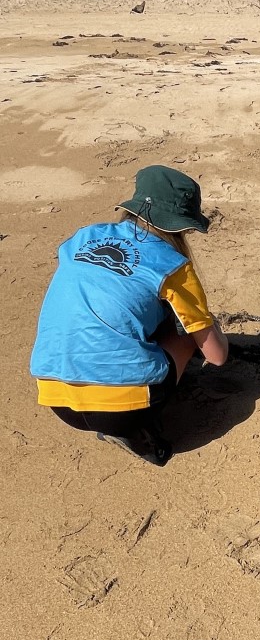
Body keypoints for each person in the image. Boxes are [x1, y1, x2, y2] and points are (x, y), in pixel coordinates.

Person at [30, 165, 229, 465]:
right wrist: (209, 325)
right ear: (181, 226)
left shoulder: (83, 238)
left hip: (55, 395)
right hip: (121, 407)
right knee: (186, 333)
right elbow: (217, 357)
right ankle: (137, 428)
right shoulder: (174, 266)